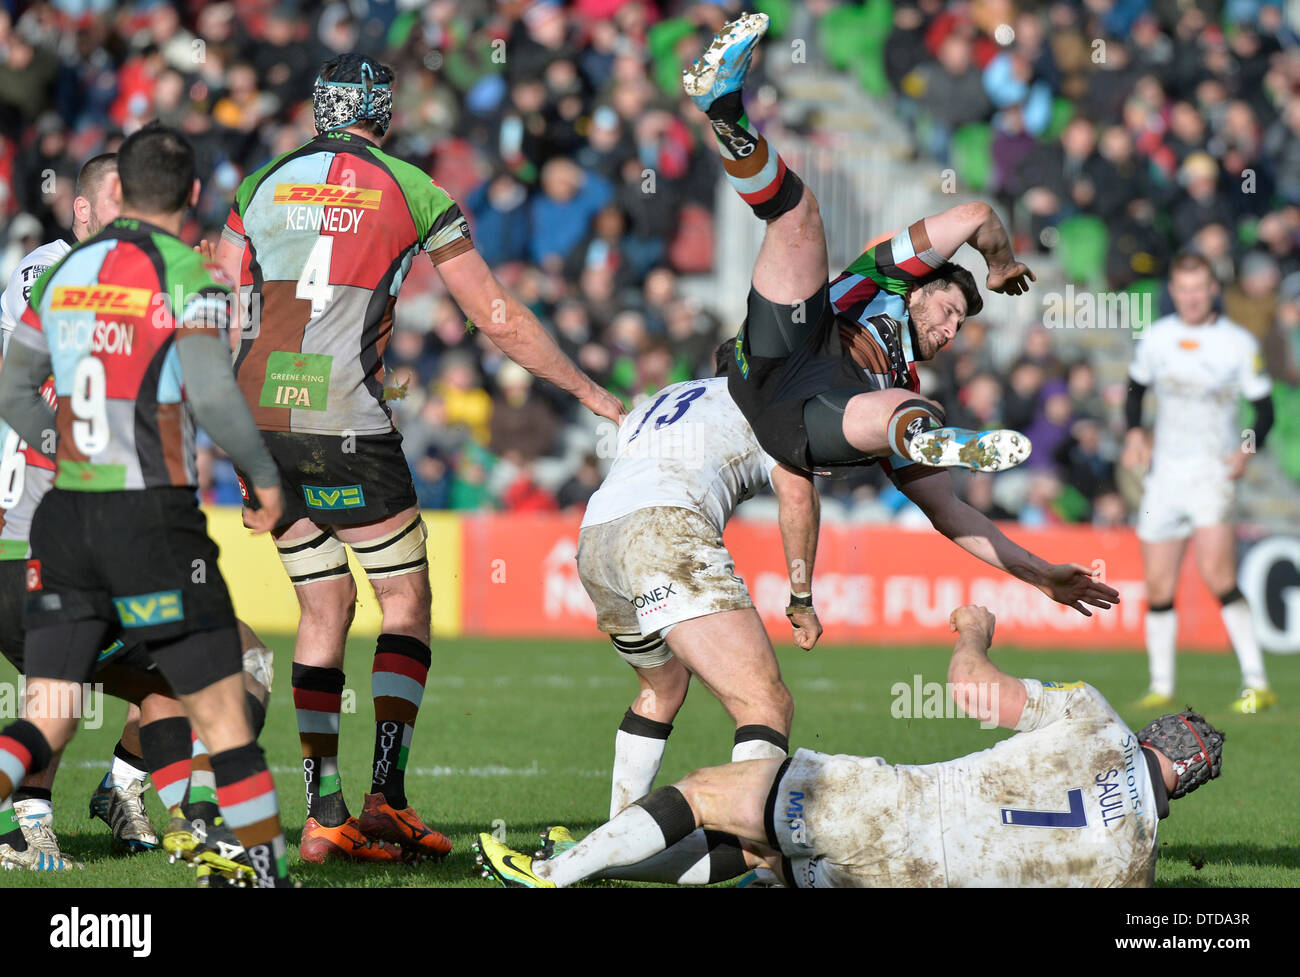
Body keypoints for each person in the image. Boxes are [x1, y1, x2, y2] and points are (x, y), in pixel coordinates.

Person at [213, 53, 624, 863]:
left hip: (257, 420)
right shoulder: (414, 188)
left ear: (318, 108)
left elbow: (224, 308)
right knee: (403, 600)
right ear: (382, 112)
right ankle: (385, 797)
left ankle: (321, 812)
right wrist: (591, 392)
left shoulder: (257, 184)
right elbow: (496, 315)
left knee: (322, 608)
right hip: (345, 422)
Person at [683, 14, 1117, 620]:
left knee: (907, 413)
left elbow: (953, 515)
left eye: (960, 327)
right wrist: (1000, 263)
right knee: (798, 214)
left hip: (811, 423)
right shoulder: (884, 278)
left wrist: (1041, 575)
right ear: (918, 291)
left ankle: (939, 442)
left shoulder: (904, 382)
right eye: (946, 309)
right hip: (791, 346)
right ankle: (724, 111)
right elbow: (973, 215)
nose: (950, 329)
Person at [0, 122, 295, 888]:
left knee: (51, 711)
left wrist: (64, 450)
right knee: (235, 684)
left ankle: (138, 809)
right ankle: (254, 864)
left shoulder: (66, 275)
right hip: (145, 519)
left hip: (59, 522)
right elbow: (214, 394)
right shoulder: (178, 273)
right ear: (193, 195)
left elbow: (11, 385)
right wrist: (262, 474)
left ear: (116, 195)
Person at [474, 604, 1226, 888]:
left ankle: (555, 874)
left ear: (1158, 734)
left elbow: (970, 688)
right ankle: (605, 863)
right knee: (761, 853)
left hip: (893, 808)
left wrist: (975, 628)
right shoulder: (1136, 870)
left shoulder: (1100, 721)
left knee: (710, 791)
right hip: (913, 883)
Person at [538, 373, 819, 885]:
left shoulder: (669, 395)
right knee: (765, 703)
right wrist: (801, 596)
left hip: (597, 535)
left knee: (661, 687)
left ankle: (616, 835)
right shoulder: (770, 398)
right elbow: (798, 498)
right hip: (665, 529)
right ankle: (759, 853)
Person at [0, 152, 158, 864]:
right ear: (84, 211)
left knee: (205, 655)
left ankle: (118, 787)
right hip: (37, 521)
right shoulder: (55, 271)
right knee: (58, 675)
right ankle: (24, 820)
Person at [1124, 252, 1278, 714]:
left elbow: (1264, 409)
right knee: (1157, 584)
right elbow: (1136, 388)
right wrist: (1135, 432)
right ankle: (1161, 684)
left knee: (1218, 575)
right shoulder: (1158, 337)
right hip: (1164, 476)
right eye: (1183, 288)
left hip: (1212, 474)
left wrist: (1246, 448)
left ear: (1212, 289)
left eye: (1199, 288)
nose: (1191, 297)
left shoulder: (1236, 343)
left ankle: (1256, 681)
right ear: (1174, 290)